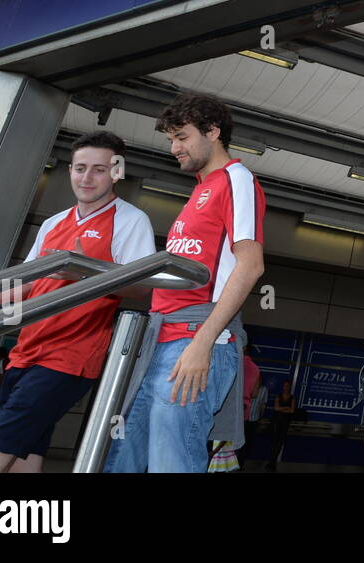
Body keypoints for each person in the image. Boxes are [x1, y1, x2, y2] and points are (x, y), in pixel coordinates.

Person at [0, 131, 156, 473]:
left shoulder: (130, 221)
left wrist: (85, 272)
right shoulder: (55, 222)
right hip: (27, 351)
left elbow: (141, 288)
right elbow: (28, 283)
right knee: (23, 460)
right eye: (81, 168)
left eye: (99, 169)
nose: (87, 177)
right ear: (69, 170)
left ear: (116, 172)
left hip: (69, 358)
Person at [104, 94, 266, 474]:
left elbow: (251, 266)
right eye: (170, 140)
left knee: (171, 464)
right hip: (159, 339)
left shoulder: (236, 180)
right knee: (122, 462)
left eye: (182, 137)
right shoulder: (199, 189)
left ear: (213, 132)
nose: (175, 148)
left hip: (193, 340)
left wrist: (203, 342)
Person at [268, 380, 295, 471]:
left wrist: (281, 409)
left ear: (290, 387)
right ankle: (271, 463)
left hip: (285, 423)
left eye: (287, 386)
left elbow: (292, 411)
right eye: (284, 385)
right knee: (274, 443)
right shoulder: (278, 396)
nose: (286, 387)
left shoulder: (292, 398)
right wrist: (286, 408)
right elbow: (276, 408)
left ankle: (272, 462)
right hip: (277, 422)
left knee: (280, 443)